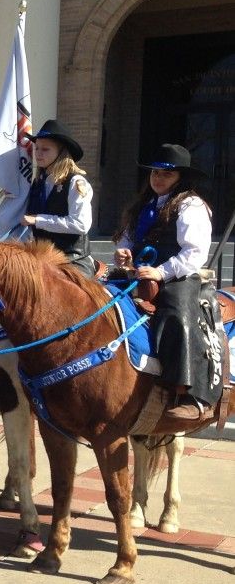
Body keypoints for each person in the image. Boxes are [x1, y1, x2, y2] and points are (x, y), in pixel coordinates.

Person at [113, 143, 219, 421]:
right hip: (139, 272)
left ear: (181, 178)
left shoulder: (191, 205)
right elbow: (127, 240)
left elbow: (195, 252)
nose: (158, 178)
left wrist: (160, 272)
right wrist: (124, 254)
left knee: (177, 314)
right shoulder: (143, 206)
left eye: (166, 174)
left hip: (178, 275)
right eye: (155, 173)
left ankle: (190, 394)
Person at [19, 119, 95, 276]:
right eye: (37, 148)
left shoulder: (76, 182)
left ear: (61, 153)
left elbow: (80, 224)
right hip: (42, 257)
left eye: (45, 149)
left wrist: (38, 220)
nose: (38, 153)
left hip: (72, 258)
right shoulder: (38, 183)